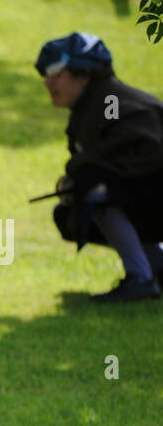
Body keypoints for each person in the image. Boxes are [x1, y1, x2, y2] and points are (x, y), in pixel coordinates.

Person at [38, 32, 163, 303]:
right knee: (78, 205)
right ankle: (155, 268)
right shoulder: (94, 104)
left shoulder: (109, 101)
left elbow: (126, 142)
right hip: (151, 194)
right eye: (46, 74)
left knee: (97, 194)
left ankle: (140, 279)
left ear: (83, 75)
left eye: (56, 73)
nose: (48, 82)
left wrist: (91, 171)